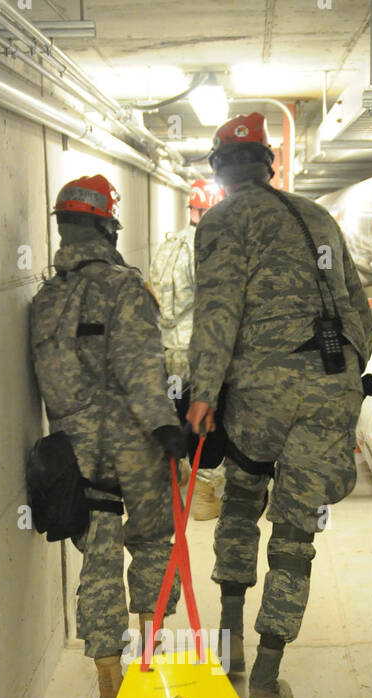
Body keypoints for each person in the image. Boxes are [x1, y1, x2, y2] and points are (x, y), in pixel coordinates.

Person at [186, 114, 372, 698]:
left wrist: (202, 392)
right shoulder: (318, 217)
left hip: (261, 392)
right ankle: (266, 684)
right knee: (296, 534)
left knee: (242, 499)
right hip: (331, 384)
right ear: (269, 164)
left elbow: (217, 312)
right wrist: (344, 378)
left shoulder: (221, 222)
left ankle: (230, 643)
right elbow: (358, 310)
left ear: (219, 168)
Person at [30, 175, 187, 698]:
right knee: (150, 542)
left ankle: (108, 687)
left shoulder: (45, 301)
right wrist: (166, 427)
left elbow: (55, 386)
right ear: (107, 225)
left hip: (78, 454)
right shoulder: (125, 288)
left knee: (96, 562)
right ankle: (151, 664)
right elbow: (140, 369)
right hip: (134, 448)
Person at [148, 178, 224, 519]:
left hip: (167, 352)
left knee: (176, 413)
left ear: (191, 208)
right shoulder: (212, 249)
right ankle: (205, 490)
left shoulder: (166, 246)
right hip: (199, 352)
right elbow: (219, 304)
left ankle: (175, 473)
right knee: (206, 418)